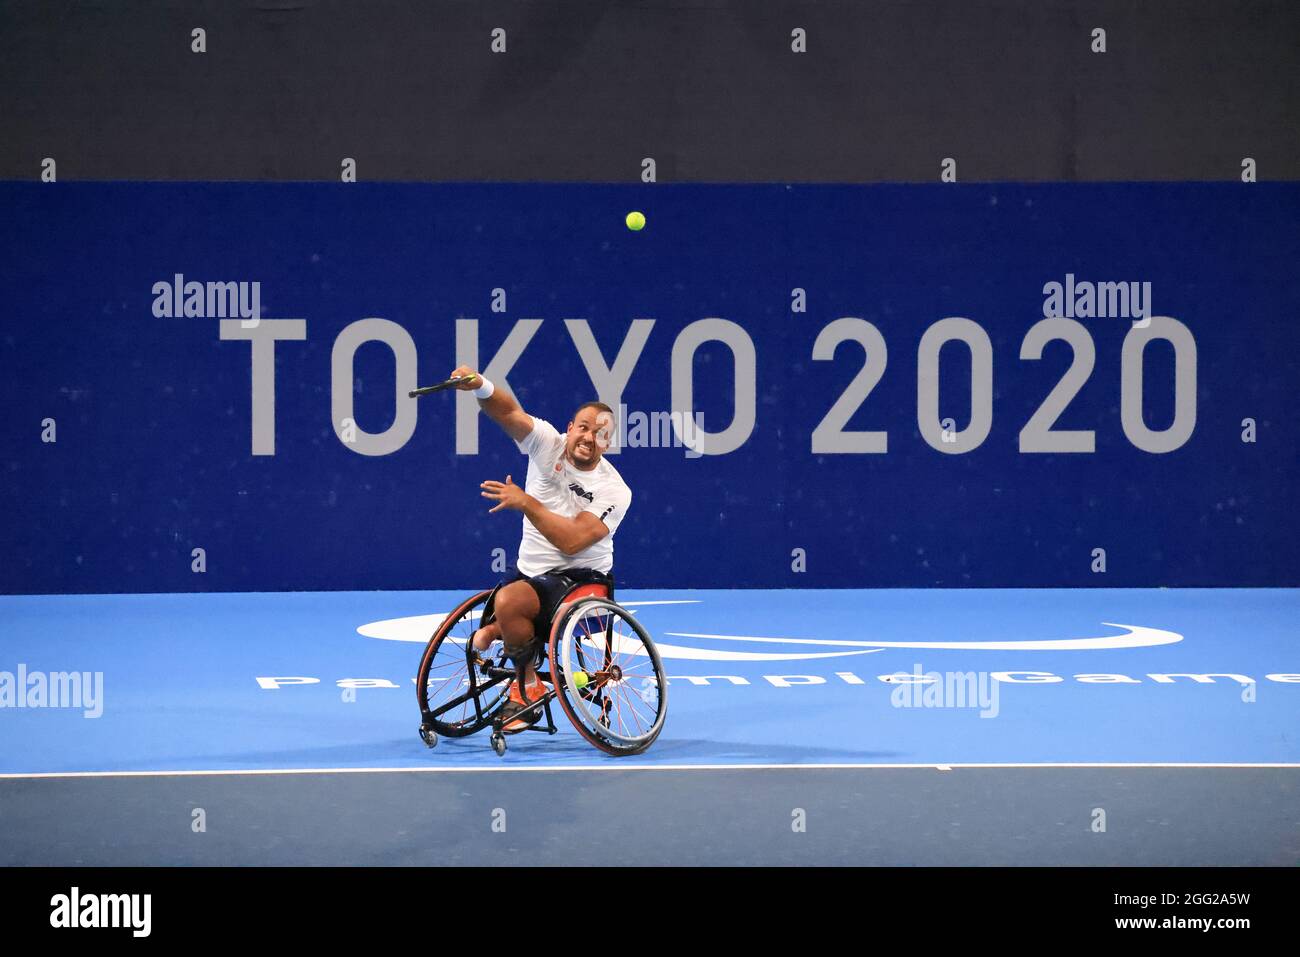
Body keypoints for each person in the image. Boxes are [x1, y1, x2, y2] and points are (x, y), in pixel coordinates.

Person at [448, 365, 632, 733]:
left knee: (510, 603)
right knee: (508, 605)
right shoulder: (546, 443)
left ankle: (526, 686)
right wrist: (480, 385)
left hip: (580, 585)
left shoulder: (615, 491)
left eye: (601, 433)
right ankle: (506, 638)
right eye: (584, 427)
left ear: (608, 443)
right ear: (570, 428)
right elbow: (508, 412)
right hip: (529, 574)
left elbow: (571, 541)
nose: (589, 437)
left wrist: (525, 502)